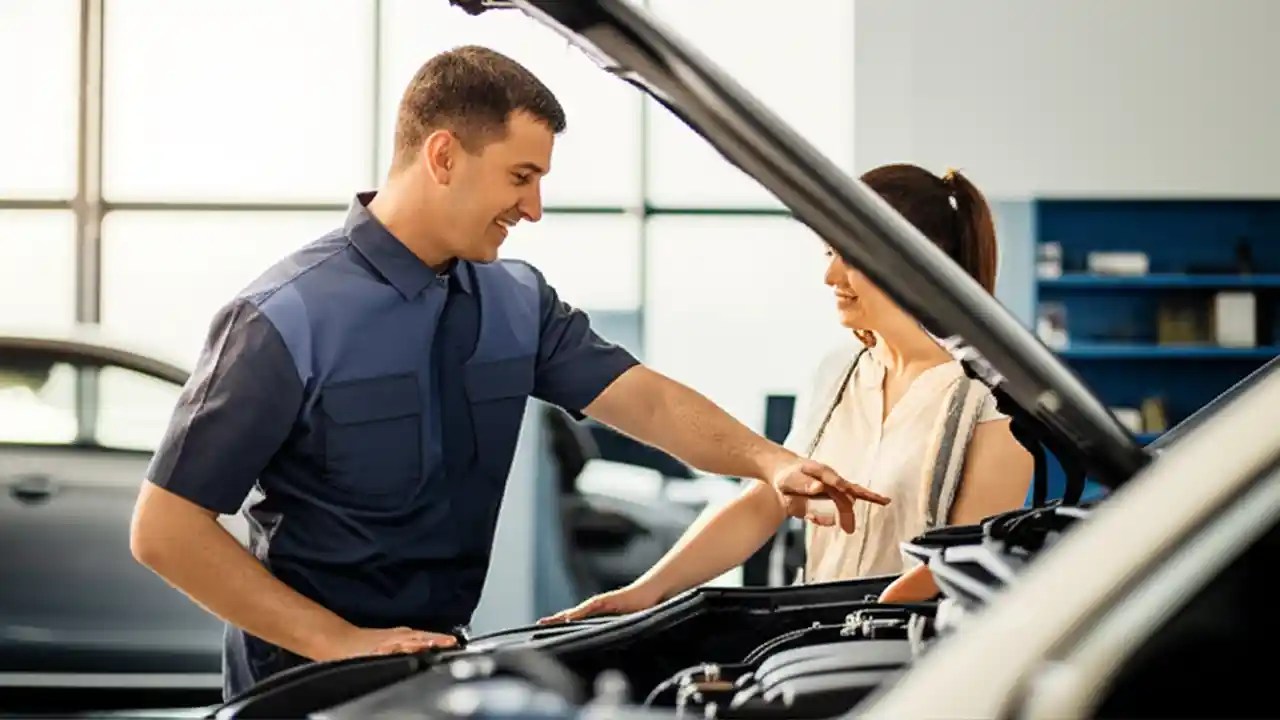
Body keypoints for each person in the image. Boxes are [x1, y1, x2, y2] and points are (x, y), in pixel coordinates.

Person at [127, 45, 885, 701]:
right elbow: (166, 529)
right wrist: (337, 641)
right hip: (300, 682)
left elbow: (646, 401)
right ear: (445, 155)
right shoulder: (282, 316)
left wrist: (770, 461)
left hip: (437, 669)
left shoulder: (515, 300)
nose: (535, 207)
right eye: (521, 176)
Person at [539, 163, 1034, 624]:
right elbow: (764, 501)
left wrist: (869, 619)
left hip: (908, 647)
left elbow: (962, 565)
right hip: (822, 635)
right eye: (828, 253)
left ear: (916, 262)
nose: (830, 277)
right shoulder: (838, 372)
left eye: (850, 257)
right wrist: (650, 591)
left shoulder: (989, 399)